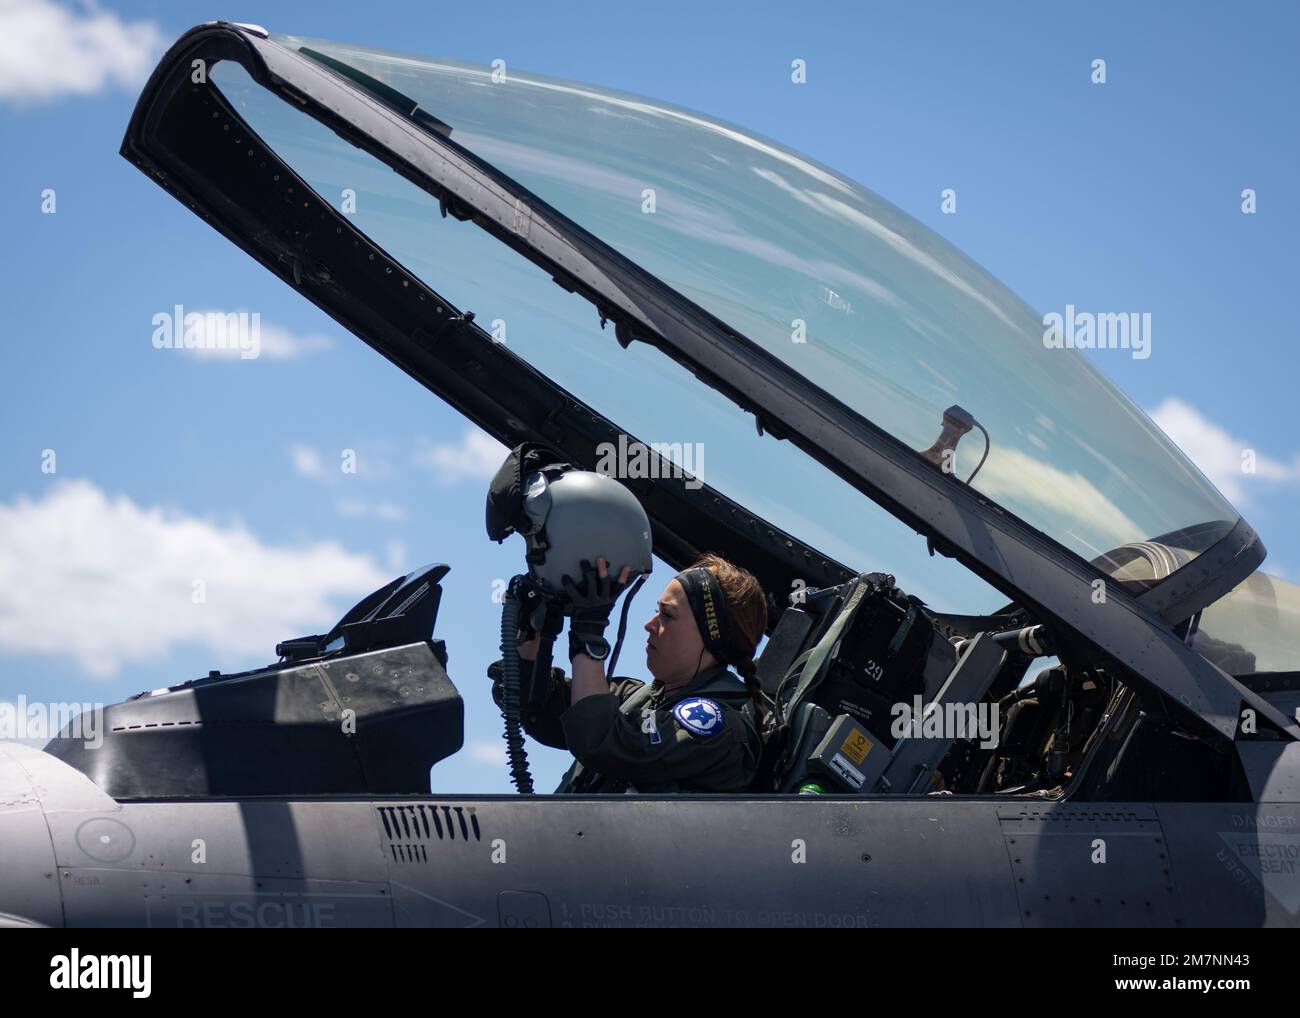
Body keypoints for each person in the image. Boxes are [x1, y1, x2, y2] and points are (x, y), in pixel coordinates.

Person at [490, 552, 768, 793]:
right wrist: (532, 634)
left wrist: (589, 637)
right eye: (655, 612)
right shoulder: (640, 699)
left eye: (667, 616)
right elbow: (543, 709)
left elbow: (601, 740)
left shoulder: (715, 728)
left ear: (712, 638)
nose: (649, 624)